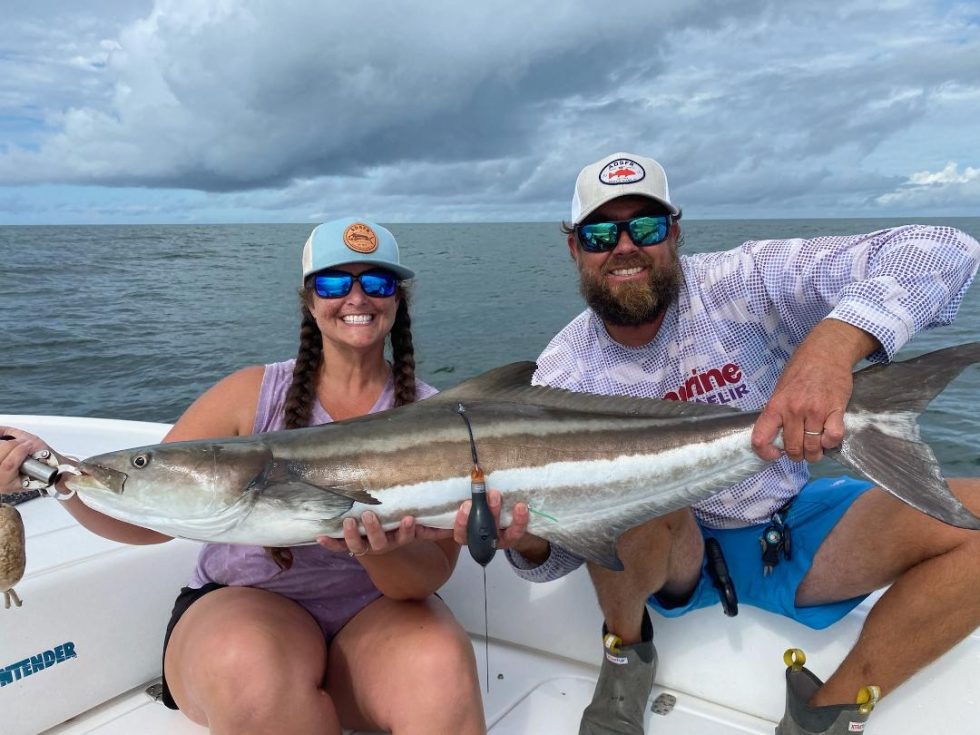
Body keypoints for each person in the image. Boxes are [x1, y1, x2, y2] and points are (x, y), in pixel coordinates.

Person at [453, 153, 980, 735]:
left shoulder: (740, 283)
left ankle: (825, 711)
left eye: (646, 227)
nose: (624, 246)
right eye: (601, 233)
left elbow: (942, 247)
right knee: (632, 499)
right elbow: (556, 559)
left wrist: (831, 346)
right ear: (575, 249)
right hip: (676, 552)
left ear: (674, 233)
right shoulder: (561, 374)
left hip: (790, 518)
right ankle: (626, 657)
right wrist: (526, 543)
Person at [0, 217, 485, 735]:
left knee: (442, 675)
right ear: (309, 298)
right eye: (334, 282)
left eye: (377, 282)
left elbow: (423, 581)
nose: (356, 297)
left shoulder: (440, 416)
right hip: (243, 604)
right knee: (251, 674)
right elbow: (149, 523)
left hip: (376, 616)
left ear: (397, 298)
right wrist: (60, 482)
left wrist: (384, 549)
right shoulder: (251, 393)